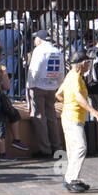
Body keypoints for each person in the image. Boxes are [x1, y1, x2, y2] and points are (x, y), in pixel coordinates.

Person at [57, 50, 98, 193]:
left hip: (71, 117)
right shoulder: (75, 78)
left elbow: (58, 94)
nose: (89, 65)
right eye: (88, 63)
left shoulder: (71, 76)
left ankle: (70, 178)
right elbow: (78, 97)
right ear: (82, 64)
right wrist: (94, 111)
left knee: (73, 150)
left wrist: (67, 103)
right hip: (73, 118)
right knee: (81, 148)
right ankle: (72, 179)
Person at [26, 30, 64, 159]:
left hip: (38, 86)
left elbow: (34, 70)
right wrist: (57, 84)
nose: (34, 41)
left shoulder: (39, 51)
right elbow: (61, 71)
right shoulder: (57, 51)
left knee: (39, 117)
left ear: (40, 39)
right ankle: (57, 147)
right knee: (51, 116)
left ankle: (45, 149)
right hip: (52, 86)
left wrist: (29, 85)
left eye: (35, 38)